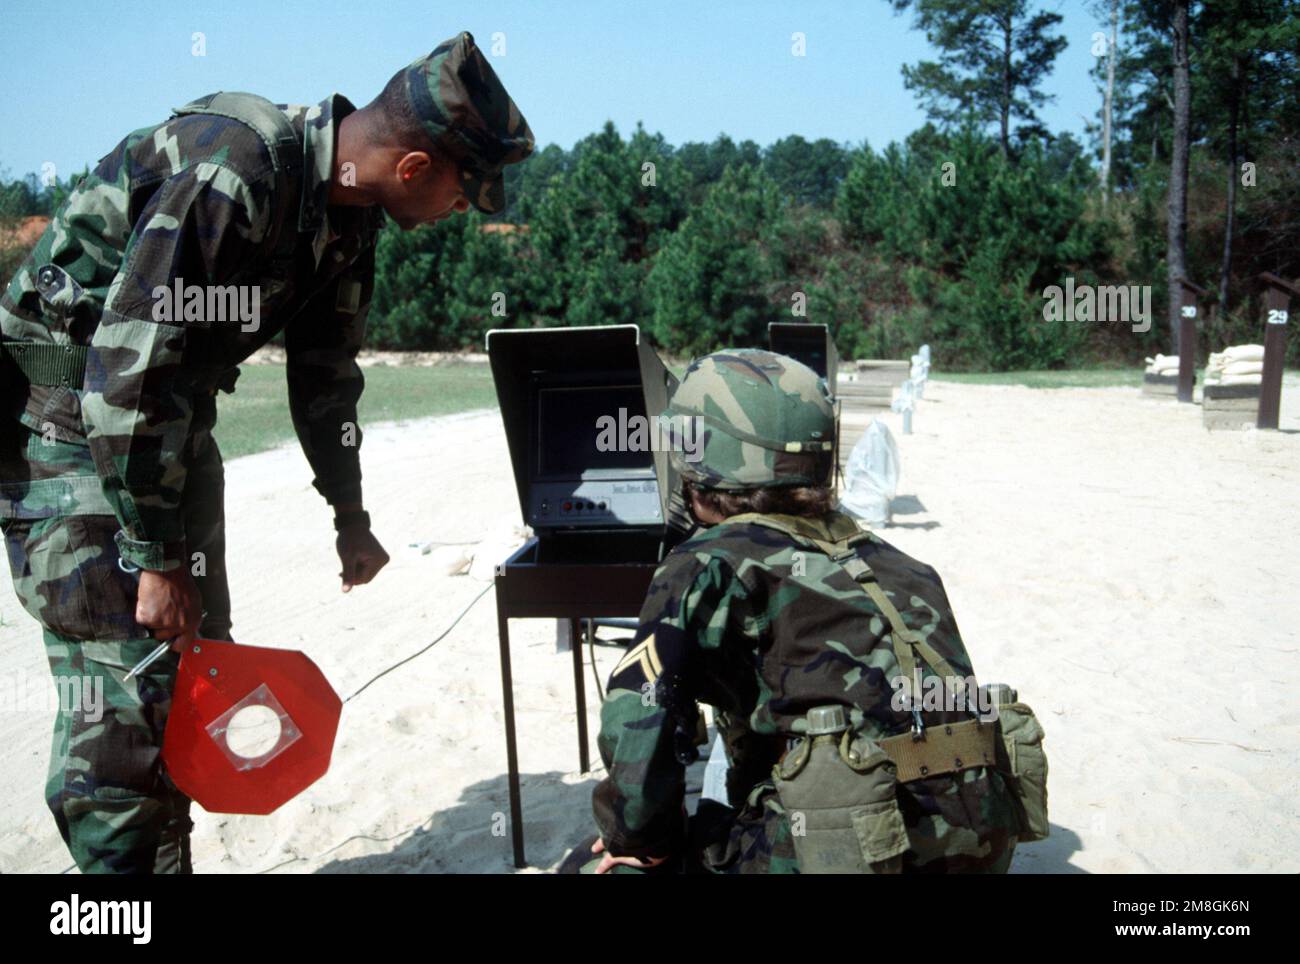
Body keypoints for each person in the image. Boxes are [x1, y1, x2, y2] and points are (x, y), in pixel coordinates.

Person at [0, 30, 533, 873]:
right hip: (75, 435)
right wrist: (155, 555)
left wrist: (349, 514)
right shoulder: (237, 170)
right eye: (466, 193)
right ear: (415, 167)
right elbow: (126, 372)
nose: (461, 212)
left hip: (165, 433)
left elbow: (326, 376)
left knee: (195, 674)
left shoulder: (349, 218)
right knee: (126, 703)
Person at [562, 349, 1044, 874]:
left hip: (849, 851)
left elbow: (637, 722)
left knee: (598, 869)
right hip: (977, 848)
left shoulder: (705, 563)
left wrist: (642, 840)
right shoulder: (904, 564)